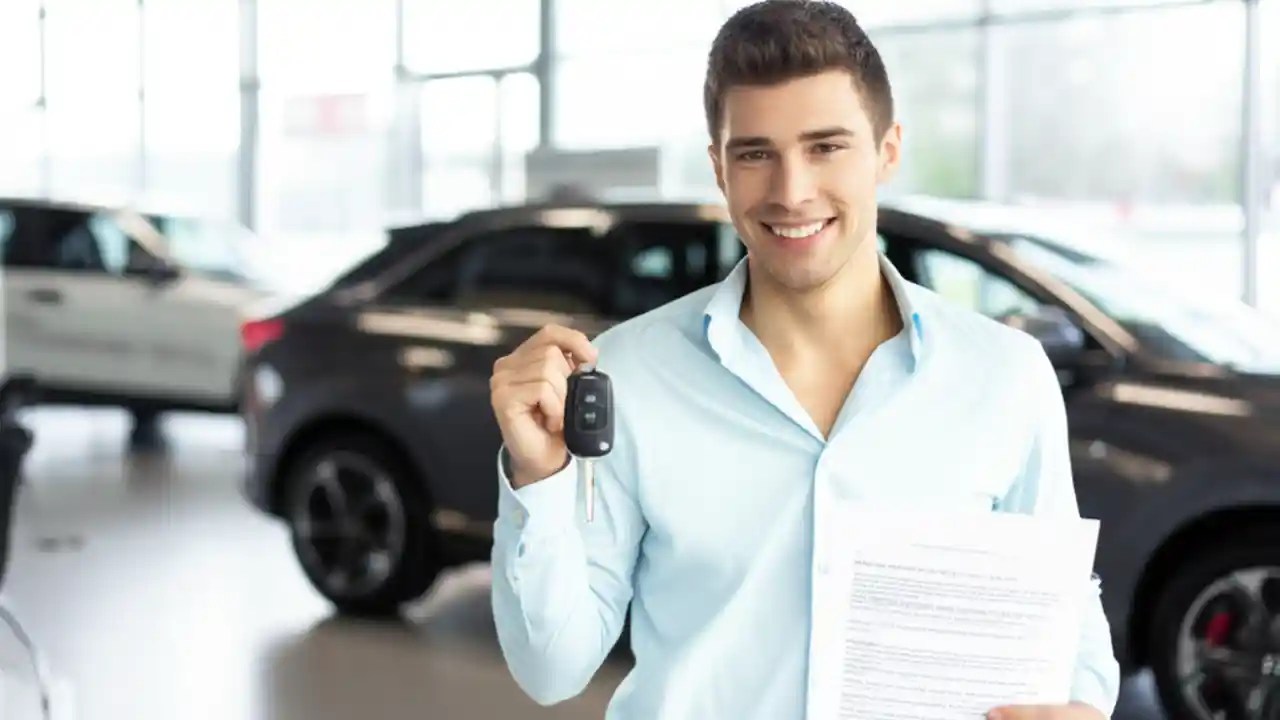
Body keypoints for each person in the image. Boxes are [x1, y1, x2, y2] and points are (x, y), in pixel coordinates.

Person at [487, 1, 1121, 718]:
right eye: (755, 153)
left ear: (887, 150)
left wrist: (1082, 703)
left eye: (826, 147)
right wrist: (538, 476)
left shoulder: (1006, 376)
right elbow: (551, 668)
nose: (791, 192)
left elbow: (1066, 623)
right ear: (720, 170)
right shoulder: (628, 374)